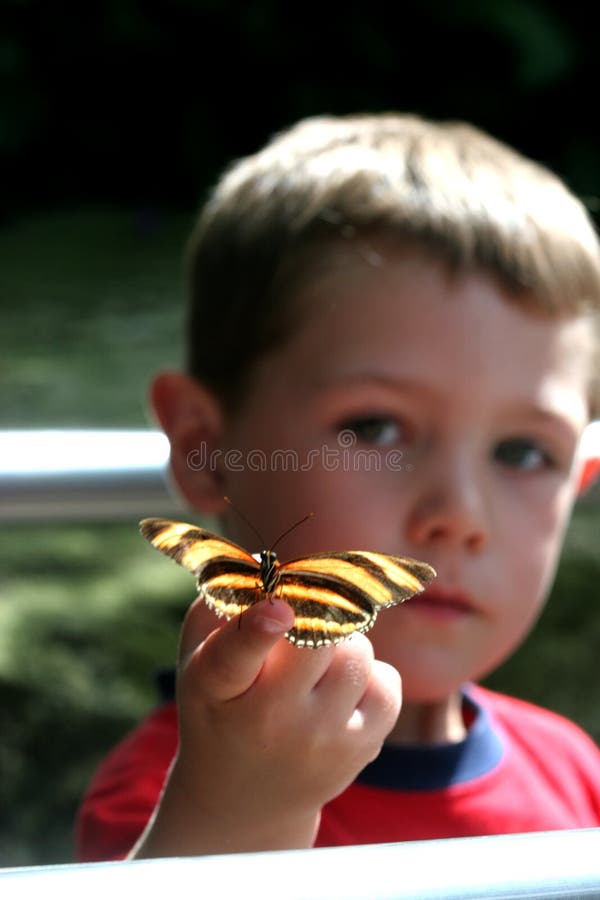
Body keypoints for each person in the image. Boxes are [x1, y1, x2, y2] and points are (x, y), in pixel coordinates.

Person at [76, 113, 600, 861]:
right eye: (377, 428)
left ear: (578, 482)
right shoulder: (173, 803)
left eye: (522, 451)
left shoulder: (576, 771)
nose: (457, 516)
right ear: (206, 448)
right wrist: (241, 816)